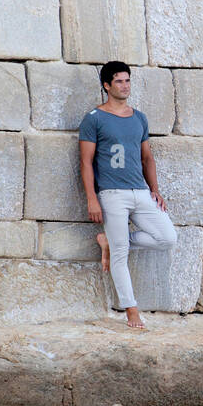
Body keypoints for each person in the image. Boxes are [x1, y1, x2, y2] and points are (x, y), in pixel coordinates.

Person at [78, 61, 176, 331]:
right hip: (112, 194)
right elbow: (86, 163)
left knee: (167, 237)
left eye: (128, 81)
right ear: (107, 85)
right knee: (120, 255)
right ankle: (132, 311)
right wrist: (91, 198)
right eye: (119, 81)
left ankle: (108, 242)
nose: (125, 86)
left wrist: (155, 189)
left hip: (140, 191)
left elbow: (147, 158)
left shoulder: (139, 118)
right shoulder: (94, 119)